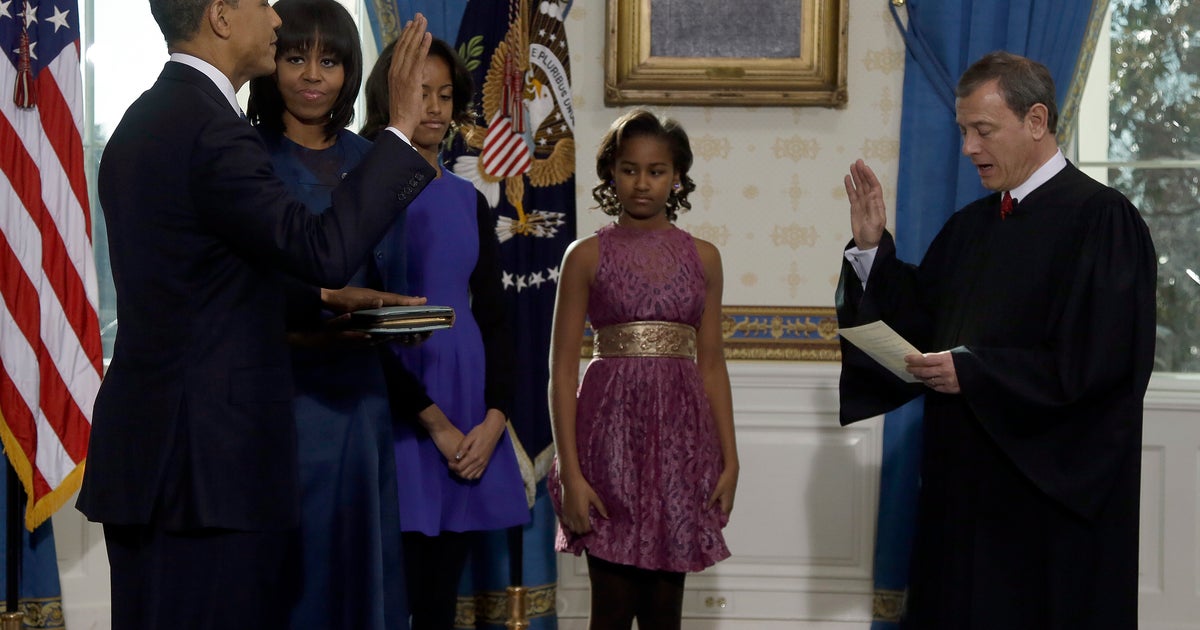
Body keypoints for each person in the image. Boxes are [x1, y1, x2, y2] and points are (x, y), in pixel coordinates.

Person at [75, 0, 435, 626]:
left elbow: (194, 280)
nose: (275, 19)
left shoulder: (153, 115)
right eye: (261, 3)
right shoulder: (211, 127)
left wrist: (323, 300)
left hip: (161, 462)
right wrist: (400, 131)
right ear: (219, 14)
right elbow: (324, 249)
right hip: (203, 475)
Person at [837, 51, 1156, 629]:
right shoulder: (972, 226)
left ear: (1036, 121)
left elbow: (1101, 366)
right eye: (963, 132)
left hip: (1045, 510)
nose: (968, 149)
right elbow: (919, 323)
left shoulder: (1103, 221)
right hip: (962, 497)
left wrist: (976, 373)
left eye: (982, 131)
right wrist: (871, 251)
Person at [243, 0, 413, 627]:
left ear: (349, 72)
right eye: (295, 57)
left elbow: (391, 278)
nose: (312, 75)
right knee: (287, 573)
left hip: (359, 397)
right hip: (275, 395)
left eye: (330, 60)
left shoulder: (374, 163)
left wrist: (403, 322)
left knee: (356, 567)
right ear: (271, 63)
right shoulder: (244, 156)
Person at [547, 108, 739, 630]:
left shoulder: (705, 258)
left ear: (677, 176)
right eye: (630, 169)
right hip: (606, 445)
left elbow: (713, 364)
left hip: (681, 446)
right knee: (609, 612)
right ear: (612, 172)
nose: (642, 182)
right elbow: (562, 371)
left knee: (663, 614)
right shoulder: (584, 257)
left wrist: (731, 458)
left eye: (657, 171)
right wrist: (570, 471)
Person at [362, 37, 530, 629]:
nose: (433, 107)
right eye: (419, 93)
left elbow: (495, 318)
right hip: (398, 410)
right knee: (392, 593)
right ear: (389, 98)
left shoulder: (469, 199)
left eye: (444, 95)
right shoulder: (363, 190)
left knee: (438, 601)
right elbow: (365, 326)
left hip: (470, 414)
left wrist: (494, 419)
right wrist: (433, 422)